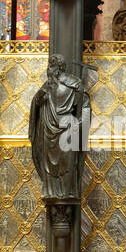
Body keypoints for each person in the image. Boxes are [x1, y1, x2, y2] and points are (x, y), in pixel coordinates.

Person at [28, 53, 88, 198]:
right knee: (49, 169)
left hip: (67, 131)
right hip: (48, 133)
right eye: (49, 65)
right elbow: (36, 104)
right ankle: (52, 193)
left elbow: (85, 107)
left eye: (51, 66)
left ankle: (68, 193)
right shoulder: (48, 86)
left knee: (67, 166)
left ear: (58, 68)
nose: (48, 69)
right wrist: (40, 95)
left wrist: (79, 124)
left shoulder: (74, 84)